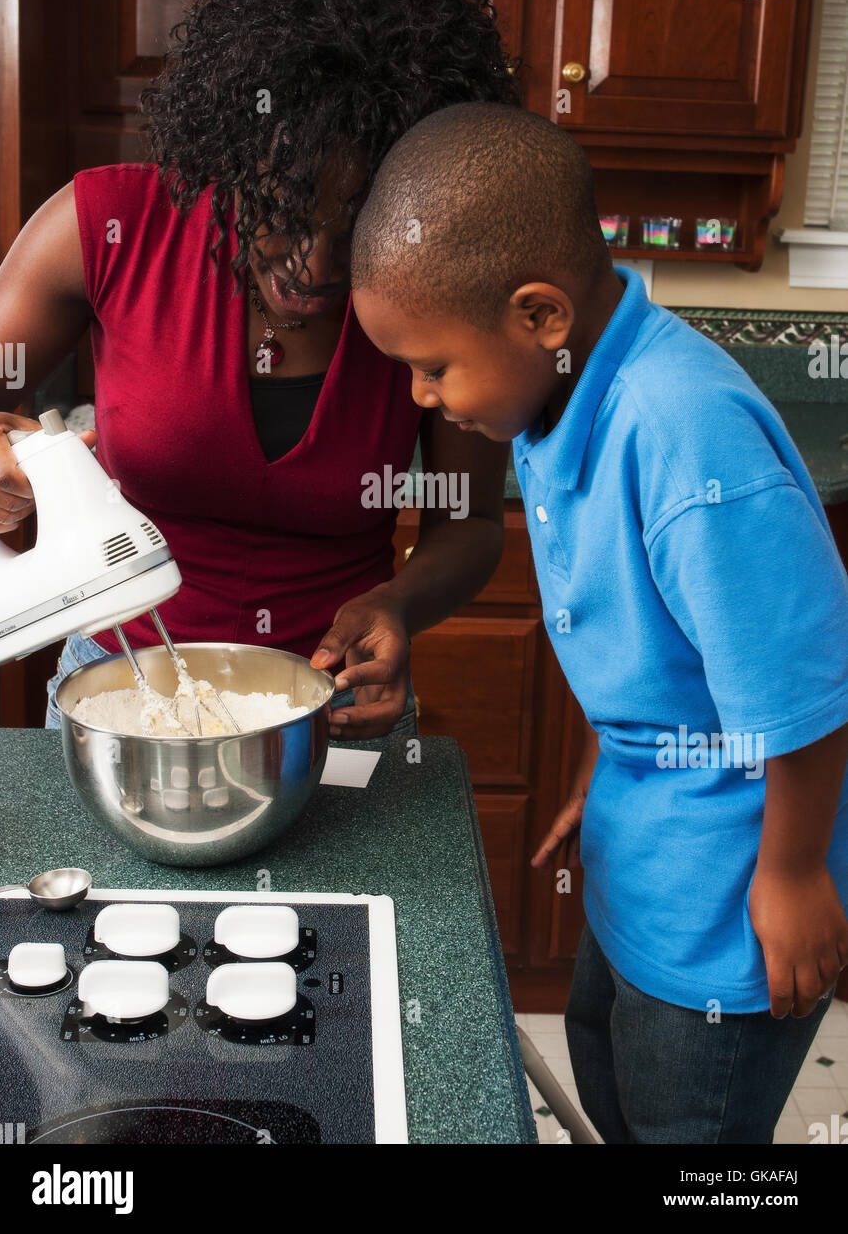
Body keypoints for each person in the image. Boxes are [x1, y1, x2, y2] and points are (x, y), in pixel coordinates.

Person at [348, 101, 848, 1143]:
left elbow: (802, 687)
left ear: (539, 316)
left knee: (687, 1135)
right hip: (640, 843)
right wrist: (598, 761)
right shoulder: (557, 396)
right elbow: (647, 635)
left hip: (727, 905)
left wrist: (792, 872)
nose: (421, 395)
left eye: (433, 366)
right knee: (606, 1074)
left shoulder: (683, 435)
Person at [0, 0, 515, 738]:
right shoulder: (110, 225)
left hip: (329, 704)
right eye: (287, 212)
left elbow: (471, 524)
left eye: (361, 228)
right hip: (119, 690)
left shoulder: (436, 292)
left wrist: (395, 604)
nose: (318, 264)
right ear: (234, 149)